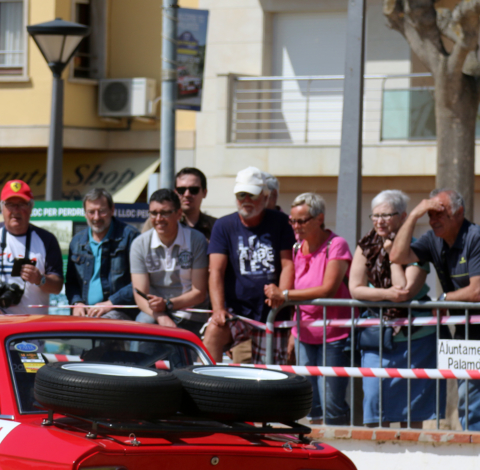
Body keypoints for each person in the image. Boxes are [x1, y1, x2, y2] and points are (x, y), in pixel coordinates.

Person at [390, 188, 480, 431]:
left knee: (473, 402)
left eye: (440, 213)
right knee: (469, 401)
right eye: (429, 215)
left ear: (459, 213)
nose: (433, 220)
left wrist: (443, 299)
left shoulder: (475, 237)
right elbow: (397, 255)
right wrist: (413, 216)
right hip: (465, 333)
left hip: (474, 331)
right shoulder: (432, 238)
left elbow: (476, 291)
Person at [349, 190, 439, 428]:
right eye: (375, 215)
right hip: (377, 336)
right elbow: (356, 289)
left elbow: (404, 290)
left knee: (412, 411)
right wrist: (387, 295)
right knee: (374, 401)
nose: (380, 221)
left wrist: (392, 255)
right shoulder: (365, 246)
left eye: (387, 215)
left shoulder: (418, 247)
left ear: (403, 217)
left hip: (416, 340)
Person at [263, 193, 351, 425]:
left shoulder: (336, 244)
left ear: (319, 218)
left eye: (302, 221)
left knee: (332, 402)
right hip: (303, 334)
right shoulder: (295, 247)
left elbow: (327, 290)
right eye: (292, 221)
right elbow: (297, 290)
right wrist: (293, 328)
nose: (296, 226)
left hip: (334, 335)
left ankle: (339, 449)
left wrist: (284, 295)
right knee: (310, 403)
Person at [203, 166, 295, 363]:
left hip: (273, 312)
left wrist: (282, 294)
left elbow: (288, 264)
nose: (246, 200)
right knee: (213, 331)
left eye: (252, 195)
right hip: (238, 313)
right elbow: (216, 271)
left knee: (272, 375)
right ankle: (208, 387)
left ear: (265, 196)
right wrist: (218, 308)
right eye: (241, 194)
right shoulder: (223, 225)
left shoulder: (282, 222)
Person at [0, 180, 63, 316]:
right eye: (10, 205)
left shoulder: (47, 239)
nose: (15, 211)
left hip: (33, 327)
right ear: (2, 208)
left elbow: (57, 286)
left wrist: (40, 279)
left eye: (21, 205)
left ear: (31, 208)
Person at [130, 188, 209, 334]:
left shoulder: (196, 240)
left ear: (179, 214)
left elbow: (199, 293)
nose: (158, 218)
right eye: (153, 213)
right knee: (141, 328)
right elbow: (140, 295)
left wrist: (167, 304)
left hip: (191, 313)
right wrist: (161, 316)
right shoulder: (139, 244)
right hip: (153, 314)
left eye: (165, 213)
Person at [66, 188, 138, 319]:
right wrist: (77, 303)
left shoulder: (130, 237)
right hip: (85, 313)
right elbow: (71, 282)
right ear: (85, 213)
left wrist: (111, 303)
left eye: (102, 211)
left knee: (106, 323)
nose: (96, 217)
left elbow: (139, 282)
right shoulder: (77, 241)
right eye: (91, 212)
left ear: (112, 210)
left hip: (119, 311)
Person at [142, 167, 217, 240]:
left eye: (193, 190)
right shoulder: (157, 221)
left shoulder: (216, 226)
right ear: (175, 192)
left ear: (204, 193)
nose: (187, 194)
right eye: (181, 190)